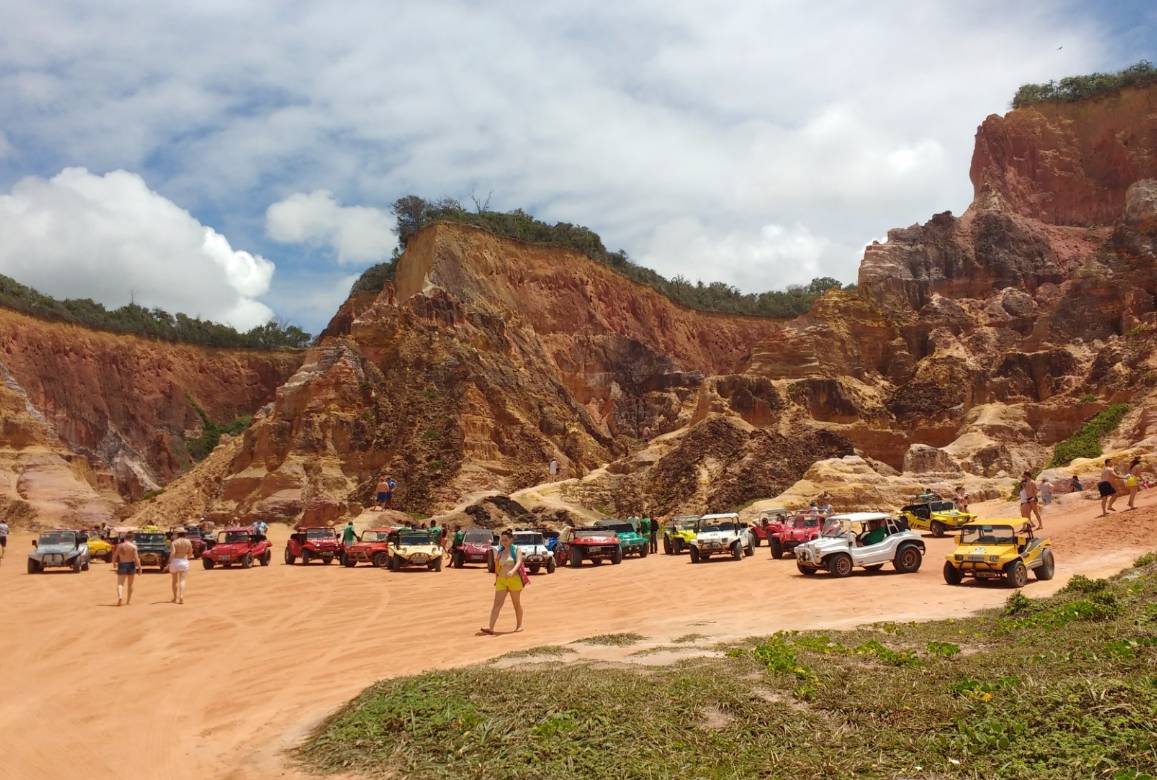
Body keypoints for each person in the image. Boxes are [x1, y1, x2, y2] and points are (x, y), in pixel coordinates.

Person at [482, 529, 524, 635]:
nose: (503, 542)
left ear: (511, 540)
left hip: (514, 580)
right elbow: (497, 566)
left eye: (505, 540)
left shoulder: (517, 550)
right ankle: (491, 627)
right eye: (502, 540)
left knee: (516, 604)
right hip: (501, 580)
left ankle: (519, 625)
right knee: (497, 604)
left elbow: (519, 561)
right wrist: (496, 579)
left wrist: (512, 571)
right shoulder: (500, 551)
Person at [112, 532, 141, 607]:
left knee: (120, 583)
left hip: (122, 564)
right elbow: (136, 558)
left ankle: (120, 597)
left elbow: (115, 555)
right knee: (130, 584)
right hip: (131, 564)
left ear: (125, 538)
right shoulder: (133, 546)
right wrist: (139, 567)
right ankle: (128, 601)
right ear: (131, 538)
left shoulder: (120, 546)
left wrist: (114, 563)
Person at [168, 529, 193, 604]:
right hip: (184, 561)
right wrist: (187, 557)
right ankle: (181, 596)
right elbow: (190, 552)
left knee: (174, 581)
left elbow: (173, 553)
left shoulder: (174, 542)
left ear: (178, 534)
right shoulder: (188, 542)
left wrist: (169, 562)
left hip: (175, 561)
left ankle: (175, 598)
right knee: (182, 580)